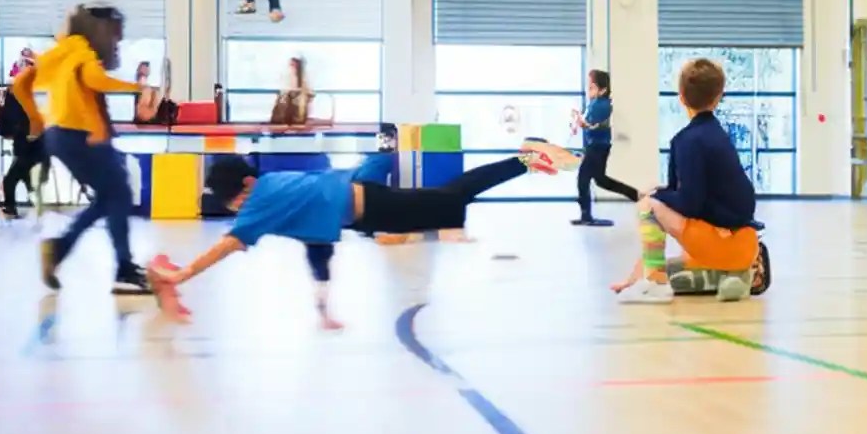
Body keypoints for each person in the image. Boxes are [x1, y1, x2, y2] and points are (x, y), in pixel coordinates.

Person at [148, 140, 580, 329]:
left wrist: (180, 276)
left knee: (453, 198)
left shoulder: (260, 204)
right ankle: (524, 159)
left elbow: (224, 248)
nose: (232, 210)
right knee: (319, 249)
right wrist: (323, 310)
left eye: (230, 202)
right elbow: (316, 245)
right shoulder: (274, 189)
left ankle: (525, 157)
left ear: (243, 188)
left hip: (376, 207)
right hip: (365, 202)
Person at [10, 3, 157, 294]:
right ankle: (123, 269)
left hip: (61, 135)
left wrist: (36, 118)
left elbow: (21, 82)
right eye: (115, 35)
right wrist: (138, 88)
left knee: (109, 197)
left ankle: (59, 250)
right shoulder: (83, 53)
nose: (117, 42)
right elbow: (94, 79)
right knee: (119, 193)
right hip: (79, 136)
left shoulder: (65, 50)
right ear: (100, 31)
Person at [610, 59, 759, 304]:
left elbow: (689, 203)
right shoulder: (720, 137)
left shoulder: (686, 141)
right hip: (744, 246)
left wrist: (656, 196)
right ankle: (731, 276)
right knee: (656, 206)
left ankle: (657, 285)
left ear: (681, 98)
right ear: (718, 97)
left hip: (717, 246)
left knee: (647, 205)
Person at [571, 69, 638, 226]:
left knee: (584, 178)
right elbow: (588, 124)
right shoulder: (594, 104)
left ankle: (586, 216)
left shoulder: (603, 105)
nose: (589, 90)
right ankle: (635, 195)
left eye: (592, 87)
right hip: (595, 146)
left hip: (598, 147)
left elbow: (594, 125)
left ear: (603, 89)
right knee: (601, 180)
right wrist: (579, 121)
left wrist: (582, 122)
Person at [0, 67, 50, 220]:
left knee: (10, 180)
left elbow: (9, 122)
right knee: (24, 177)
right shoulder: (29, 101)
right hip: (34, 147)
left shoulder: (16, 99)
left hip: (26, 147)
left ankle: (11, 207)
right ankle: (34, 201)